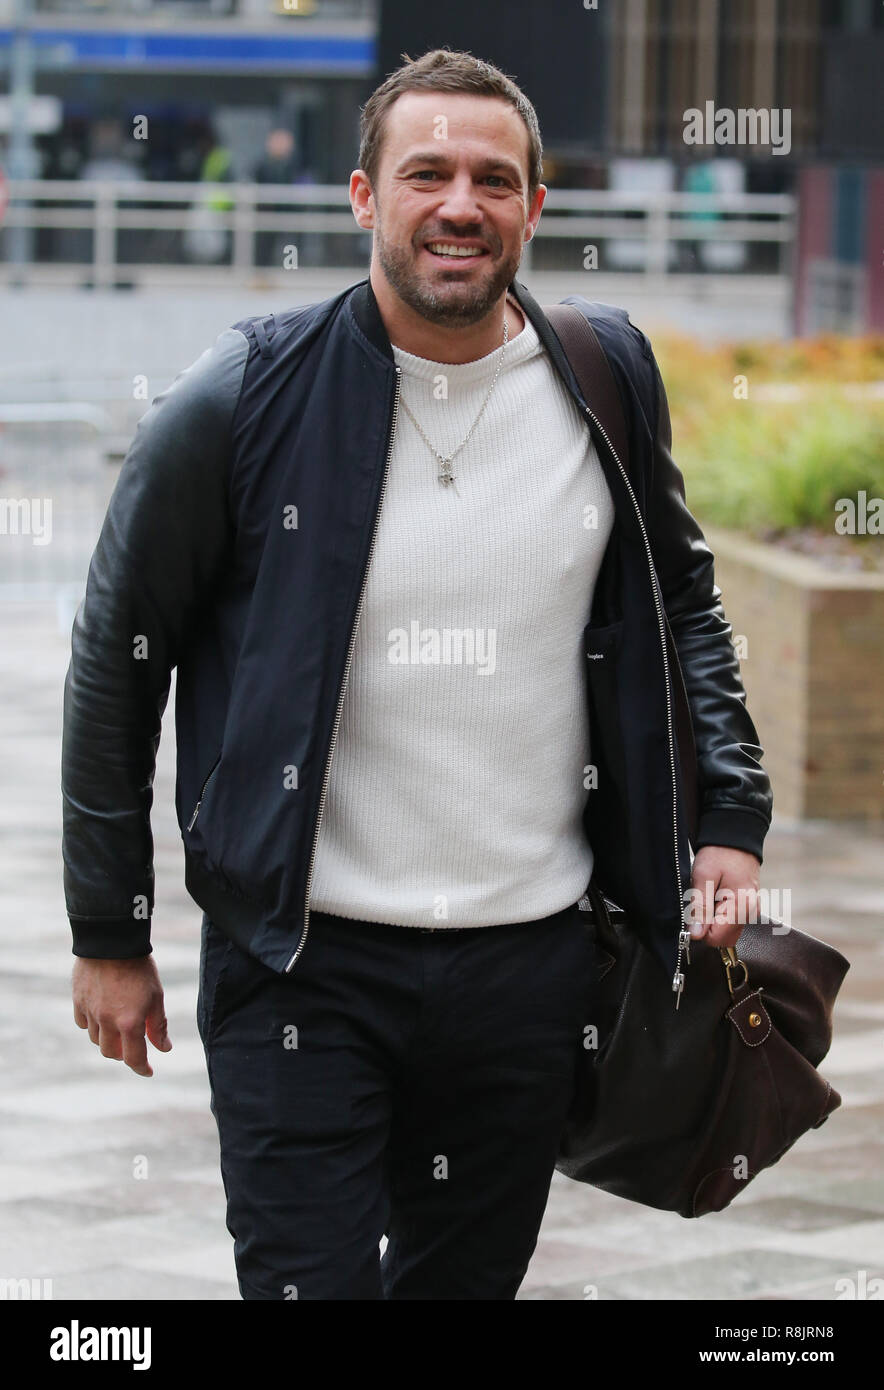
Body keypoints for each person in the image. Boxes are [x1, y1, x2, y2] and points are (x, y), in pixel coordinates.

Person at [63, 48, 772, 1301]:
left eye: (493, 179)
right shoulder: (242, 394)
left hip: (530, 968)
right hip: (302, 966)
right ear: (361, 197)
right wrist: (109, 931)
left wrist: (728, 810)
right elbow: (116, 661)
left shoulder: (603, 376)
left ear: (535, 207)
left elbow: (680, 596)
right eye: (425, 173)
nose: (460, 203)